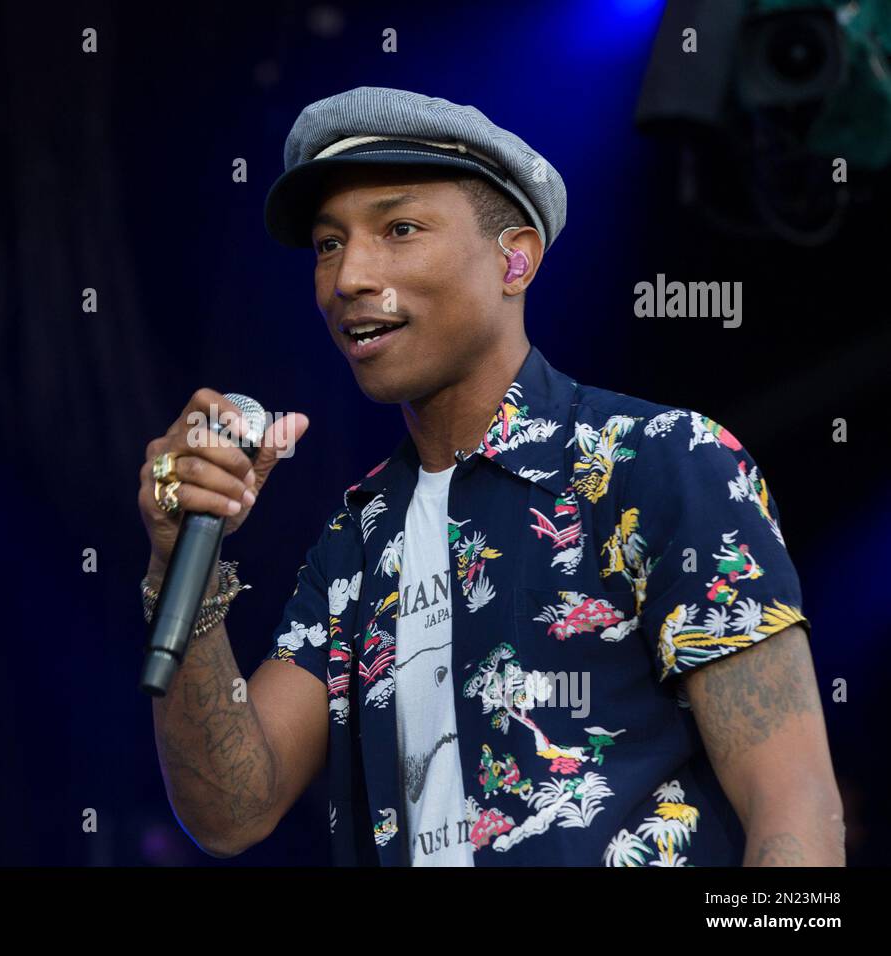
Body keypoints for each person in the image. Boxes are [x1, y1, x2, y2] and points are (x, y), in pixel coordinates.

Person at [138, 86, 843, 866]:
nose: (348, 277)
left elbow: (794, 800)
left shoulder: (659, 460)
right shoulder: (355, 541)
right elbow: (233, 810)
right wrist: (180, 568)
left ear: (516, 260)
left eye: (399, 228)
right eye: (328, 244)